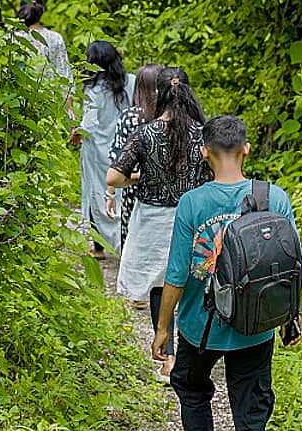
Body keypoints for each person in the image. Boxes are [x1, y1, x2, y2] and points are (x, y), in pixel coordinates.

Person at [152, 115, 302, 431]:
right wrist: (291, 316)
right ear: (246, 149)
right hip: (255, 325)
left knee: (191, 390)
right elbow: (292, 265)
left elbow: (176, 274)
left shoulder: (192, 202)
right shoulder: (274, 197)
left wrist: (163, 328)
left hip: (199, 326)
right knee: (251, 412)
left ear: (204, 153)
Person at [108, 67, 211, 379]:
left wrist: (139, 177)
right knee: (193, 281)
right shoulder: (204, 133)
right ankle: (194, 352)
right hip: (193, 214)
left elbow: (114, 176)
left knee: (158, 284)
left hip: (153, 217)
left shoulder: (146, 133)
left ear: (159, 95)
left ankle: (167, 357)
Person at [77, 40, 135, 256]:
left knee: (96, 193)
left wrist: (77, 131)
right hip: (125, 147)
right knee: (125, 194)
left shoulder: (92, 89)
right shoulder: (131, 82)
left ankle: (99, 247)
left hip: (96, 151)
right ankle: (127, 242)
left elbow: (89, 123)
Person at [107, 62, 163, 253]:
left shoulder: (129, 117)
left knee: (133, 242)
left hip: (134, 190)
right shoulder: (171, 116)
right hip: (169, 193)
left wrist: (111, 194)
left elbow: (116, 158)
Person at [15, 0, 74, 116]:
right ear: (41, 11)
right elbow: (65, 74)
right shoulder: (55, 38)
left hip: (18, 107)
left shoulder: (13, 39)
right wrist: (70, 110)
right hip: (49, 106)